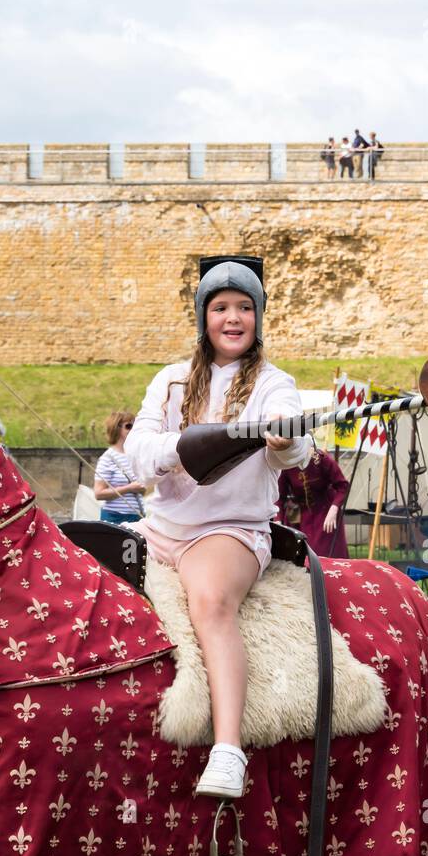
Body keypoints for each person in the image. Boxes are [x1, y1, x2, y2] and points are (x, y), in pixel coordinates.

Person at [126, 260, 311, 800]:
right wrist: (185, 446)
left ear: (258, 317)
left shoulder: (275, 384)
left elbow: (292, 446)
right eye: (222, 308)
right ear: (204, 317)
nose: (234, 319)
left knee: (210, 602)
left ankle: (227, 751)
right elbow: (139, 456)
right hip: (160, 526)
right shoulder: (169, 380)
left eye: (245, 308)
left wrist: (284, 440)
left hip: (229, 530)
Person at [276, 446, 350, 557]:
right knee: (302, 557)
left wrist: (334, 508)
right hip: (300, 516)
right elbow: (279, 496)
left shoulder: (322, 459)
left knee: (325, 555)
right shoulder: (286, 464)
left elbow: (343, 486)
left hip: (326, 514)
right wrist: (278, 520)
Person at [93, 410, 146, 524]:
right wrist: (129, 488)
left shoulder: (135, 455)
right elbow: (98, 493)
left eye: (134, 425)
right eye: (128, 426)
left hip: (137, 516)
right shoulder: (107, 458)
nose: (133, 429)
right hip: (114, 517)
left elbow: (143, 488)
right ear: (116, 428)